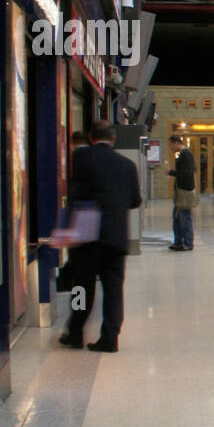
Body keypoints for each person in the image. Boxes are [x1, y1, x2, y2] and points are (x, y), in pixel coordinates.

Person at [59, 120, 142, 353]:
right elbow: (135, 201)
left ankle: (75, 332)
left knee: (81, 287)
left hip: (85, 236)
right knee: (114, 289)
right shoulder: (127, 165)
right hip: (115, 238)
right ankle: (110, 338)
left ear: (90, 136)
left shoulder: (80, 158)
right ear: (113, 139)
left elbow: (71, 190)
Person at [167, 135, 196, 251]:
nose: (170, 147)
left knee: (184, 217)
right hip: (181, 191)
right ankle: (178, 241)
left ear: (176, 143)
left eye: (170, 145)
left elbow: (186, 173)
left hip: (185, 191)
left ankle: (188, 242)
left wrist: (171, 172)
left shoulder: (186, 155)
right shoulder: (182, 155)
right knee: (177, 217)